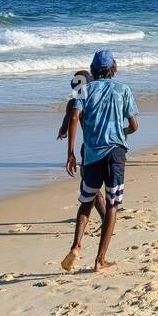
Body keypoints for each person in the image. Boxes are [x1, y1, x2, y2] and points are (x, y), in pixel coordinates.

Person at [61, 50, 138, 274]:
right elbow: (134, 125)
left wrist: (70, 153)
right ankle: (99, 260)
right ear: (113, 67)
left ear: (93, 69)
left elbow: (74, 117)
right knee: (113, 205)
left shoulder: (83, 89)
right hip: (115, 154)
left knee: (87, 201)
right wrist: (121, 133)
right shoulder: (123, 90)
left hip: (91, 154)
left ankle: (76, 246)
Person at [57, 70, 106, 222]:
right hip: (111, 145)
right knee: (99, 185)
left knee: (89, 185)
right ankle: (105, 215)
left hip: (91, 148)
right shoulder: (102, 97)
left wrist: (63, 131)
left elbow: (69, 118)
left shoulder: (74, 102)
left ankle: (106, 219)